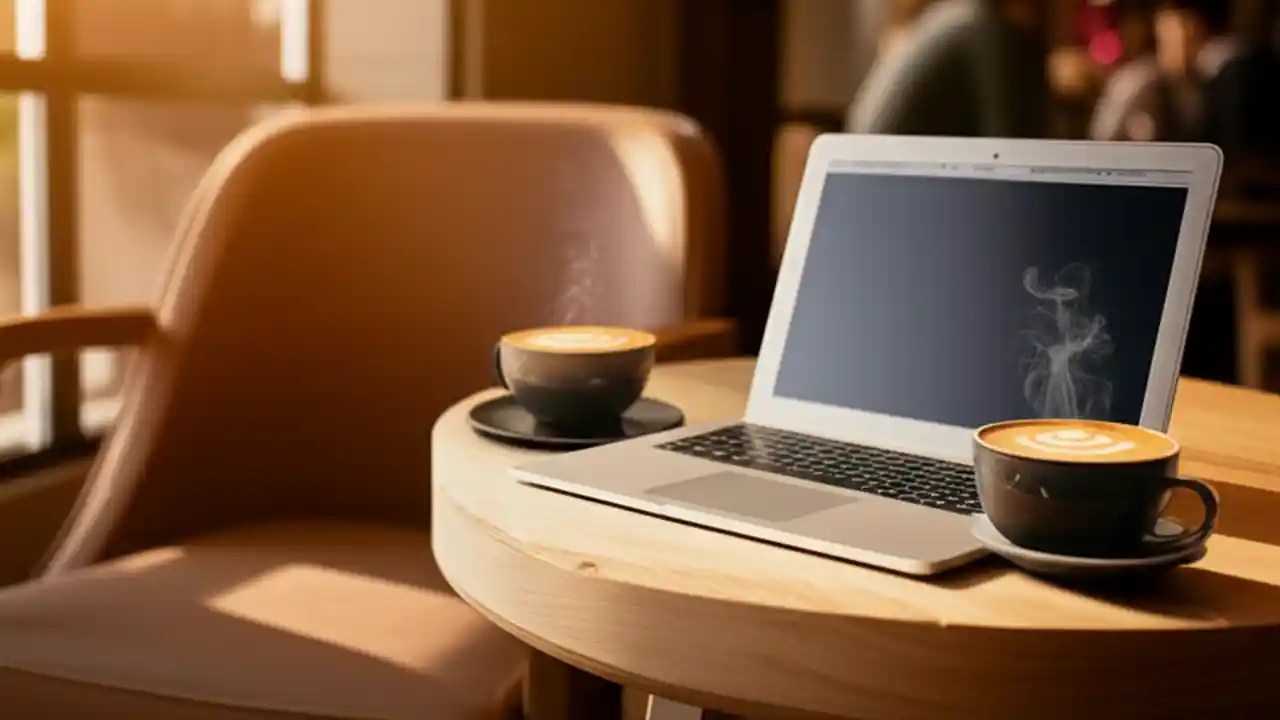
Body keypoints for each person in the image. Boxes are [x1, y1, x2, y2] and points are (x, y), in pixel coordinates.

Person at [847, 0, 1047, 137]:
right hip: (893, 176)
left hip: (869, 169)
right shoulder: (984, 27)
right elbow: (1013, 144)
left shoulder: (945, 20)